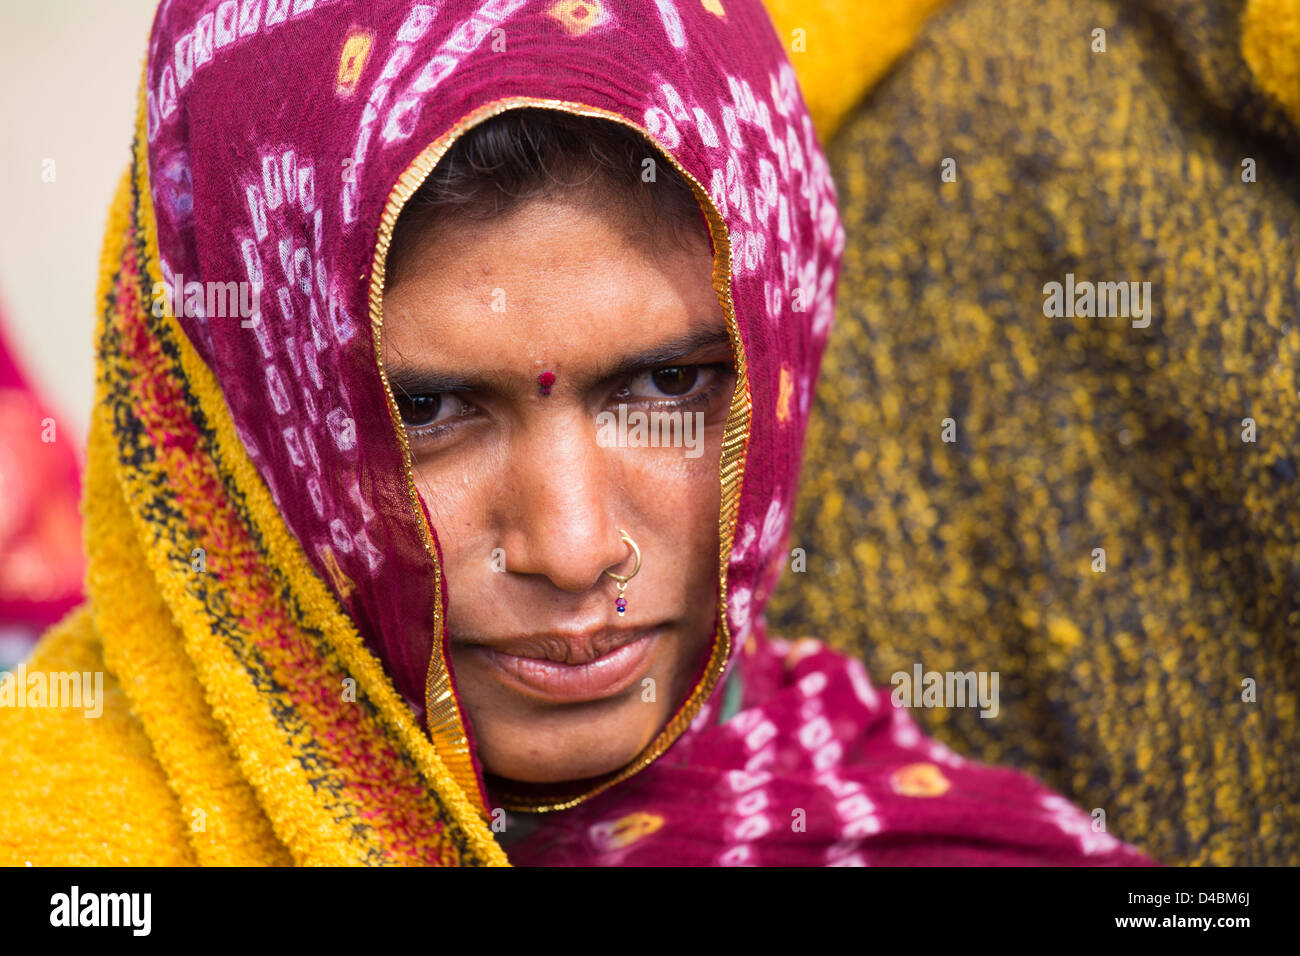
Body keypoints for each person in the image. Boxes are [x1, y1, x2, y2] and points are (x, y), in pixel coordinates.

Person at [0, 0, 1154, 866]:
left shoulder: (901, 826)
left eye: (664, 382)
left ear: (780, 347)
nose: (571, 546)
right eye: (426, 410)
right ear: (242, 410)